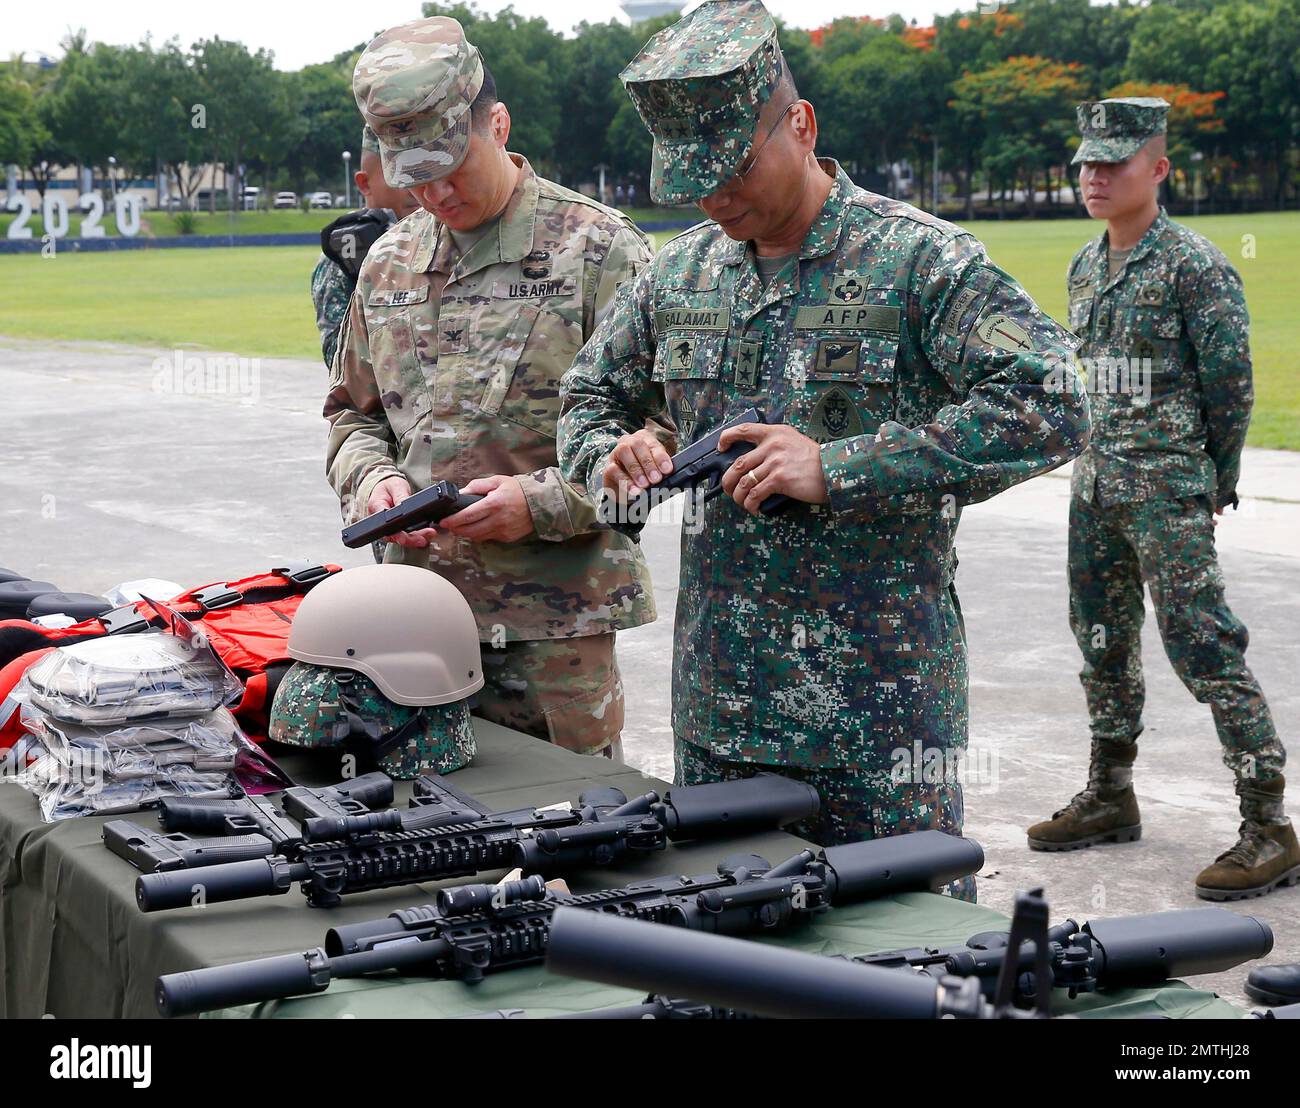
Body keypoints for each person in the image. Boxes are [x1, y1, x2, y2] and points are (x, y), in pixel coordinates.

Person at [557, 0, 1089, 891]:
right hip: (721, 710)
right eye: (694, 180)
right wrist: (610, 454)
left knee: (903, 959)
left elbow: (1058, 396)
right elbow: (587, 394)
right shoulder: (678, 272)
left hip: (879, 723)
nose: (714, 198)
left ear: (800, 126)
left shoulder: (919, 262)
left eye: (732, 170)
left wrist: (840, 466)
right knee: (730, 959)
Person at [325, 17, 658, 759]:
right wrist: (373, 481)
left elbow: (665, 440)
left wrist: (541, 505)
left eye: (452, 164)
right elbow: (352, 415)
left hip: (551, 646)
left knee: (571, 845)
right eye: (414, 176)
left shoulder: (600, 252)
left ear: (498, 124)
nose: (437, 193)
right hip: (412, 624)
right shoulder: (387, 265)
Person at [1027, 97, 1296, 900]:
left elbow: (1231, 389)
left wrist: (1210, 480)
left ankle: (1269, 822)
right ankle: (1110, 793)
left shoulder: (1195, 265)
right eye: (1086, 162)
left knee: (1205, 648)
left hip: (1167, 492)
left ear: (1159, 168)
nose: (1094, 176)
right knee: (1102, 643)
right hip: (1097, 487)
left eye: (1114, 161)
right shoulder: (1084, 265)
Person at [311, 126, 420, 370]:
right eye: (400, 174)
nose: (415, 187)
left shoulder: (436, 232)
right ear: (364, 184)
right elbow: (340, 360)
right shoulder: (345, 252)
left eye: (420, 172)